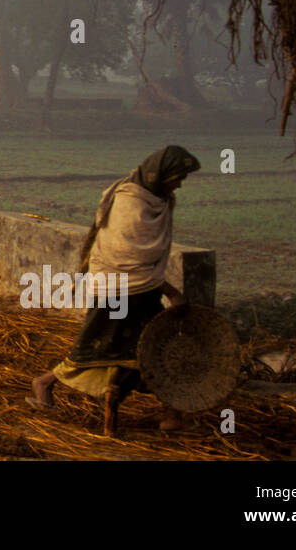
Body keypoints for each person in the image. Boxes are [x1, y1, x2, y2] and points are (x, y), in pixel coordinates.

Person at [28, 145, 201, 436]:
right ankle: (45, 382)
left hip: (141, 290)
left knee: (151, 349)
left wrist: (162, 289)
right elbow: (129, 257)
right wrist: (171, 292)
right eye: (177, 177)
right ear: (161, 175)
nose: (180, 184)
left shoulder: (157, 199)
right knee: (100, 348)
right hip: (116, 290)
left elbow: (144, 261)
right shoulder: (129, 203)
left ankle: (171, 414)